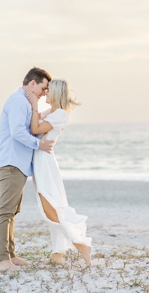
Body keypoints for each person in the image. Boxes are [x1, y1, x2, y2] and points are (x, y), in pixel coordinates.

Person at [0, 67, 57, 271]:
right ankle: (3, 261)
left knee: (13, 211)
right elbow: (18, 132)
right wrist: (40, 145)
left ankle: (11, 255)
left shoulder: (27, 103)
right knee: (5, 212)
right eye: (43, 88)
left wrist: (52, 110)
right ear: (32, 84)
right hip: (11, 163)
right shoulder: (19, 101)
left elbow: (31, 124)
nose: (45, 93)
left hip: (17, 164)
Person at [29, 78, 92, 266]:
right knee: (51, 207)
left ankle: (80, 244)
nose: (45, 94)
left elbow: (34, 128)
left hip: (45, 163)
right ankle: (57, 255)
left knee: (51, 208)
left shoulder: (60, 115)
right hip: (41, 161)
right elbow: (33, 123)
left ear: (56, 93)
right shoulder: (53, 112)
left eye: (48, 91)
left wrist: (33, 105)